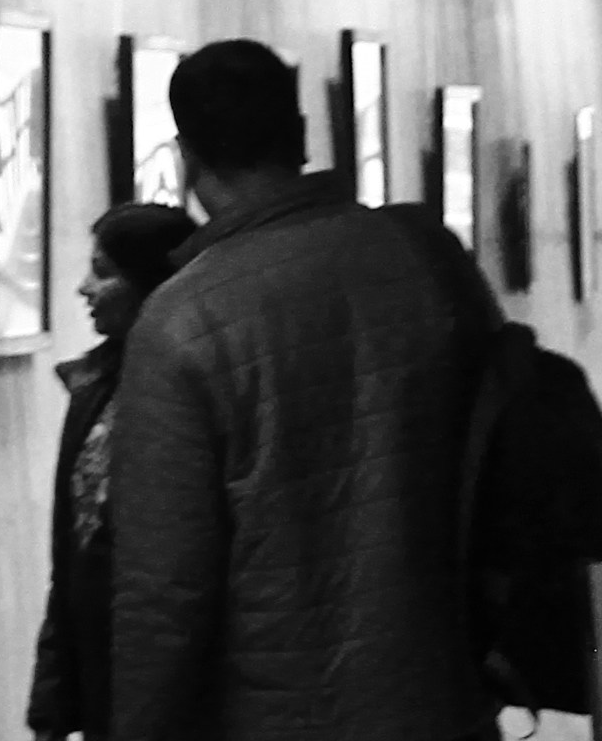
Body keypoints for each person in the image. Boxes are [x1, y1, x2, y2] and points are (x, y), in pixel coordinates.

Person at [107, 38, 502, 740]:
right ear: (301, 135)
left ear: (185, 155)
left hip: (280, 713)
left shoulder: (180, 325)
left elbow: (164, 594)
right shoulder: (427, 257)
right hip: (446, 702)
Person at [27, 198, 195, 735]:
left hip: (177, 684)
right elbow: (74, 555)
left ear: (150, 282)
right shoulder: (95, 389)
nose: (83, 288)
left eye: (103, 272)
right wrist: (53, 696)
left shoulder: (191, 392)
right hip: (106, 675)